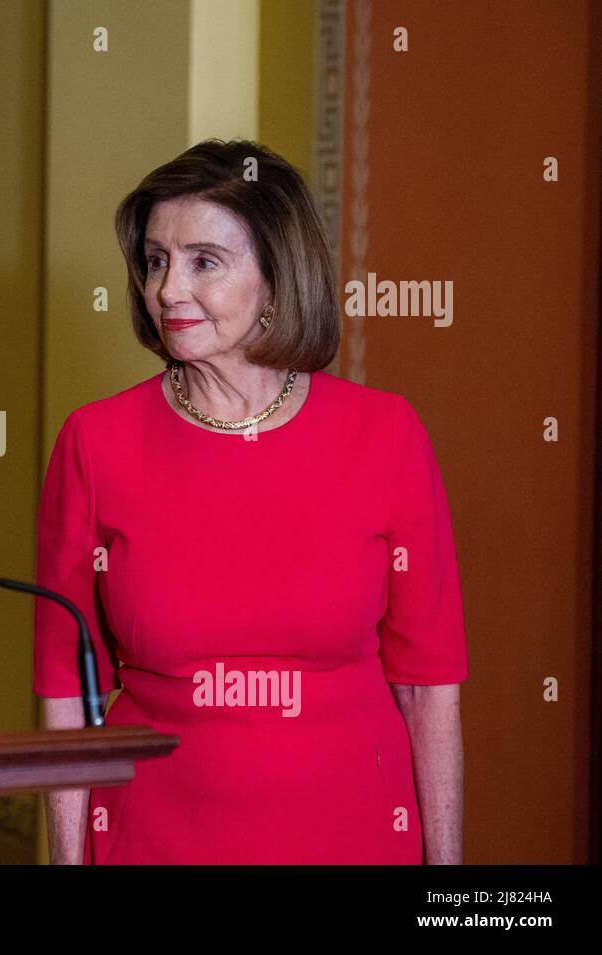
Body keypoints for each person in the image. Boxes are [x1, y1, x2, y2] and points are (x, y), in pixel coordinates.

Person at [34, 139, 467, 865]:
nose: (169, 288)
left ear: (276, 276)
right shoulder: (94, 442)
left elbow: (430, 690)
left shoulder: (385, 433)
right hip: (153, 839)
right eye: (155, 260)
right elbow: (66, 699)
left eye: (204, 260)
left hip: (355, 837)